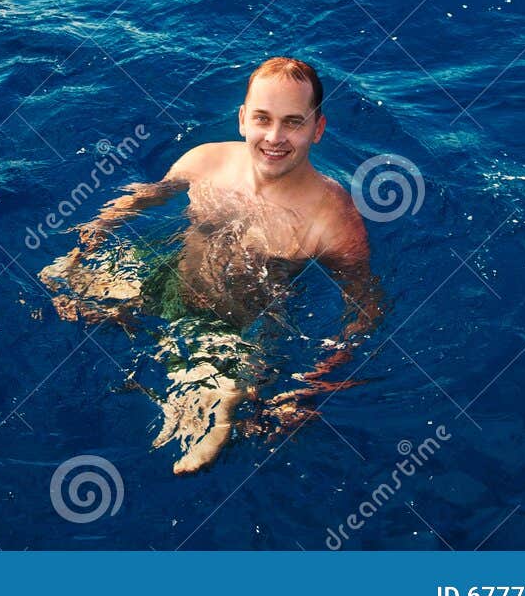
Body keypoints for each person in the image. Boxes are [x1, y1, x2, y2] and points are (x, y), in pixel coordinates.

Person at [39, 56, 382, 474]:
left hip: (231, 328)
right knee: (61, 281)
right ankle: (127, 315)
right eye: (263, 118)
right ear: (242, 119)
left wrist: (317, 384)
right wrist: (89, 238)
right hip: (166, 275)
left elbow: (364, 307)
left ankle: (222, 399)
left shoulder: (331, 217)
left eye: (293, 122)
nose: (274, 136)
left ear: (318, 129)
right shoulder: (205, 162)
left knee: (206, 401)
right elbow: (139, 199)